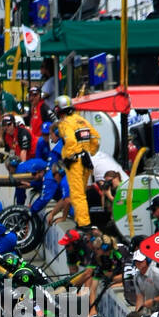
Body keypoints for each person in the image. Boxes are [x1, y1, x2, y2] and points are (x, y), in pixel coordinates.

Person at [54, 94, 100, 229]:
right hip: (86, 160)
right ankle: (83, 221)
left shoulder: (64, 123)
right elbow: (96, 138)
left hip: (75, 163)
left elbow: (70, 141)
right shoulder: (82, 120)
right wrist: (89, 151)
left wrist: (70, 156)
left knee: (77, 195)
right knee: (82, 193)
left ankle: (84, 224)